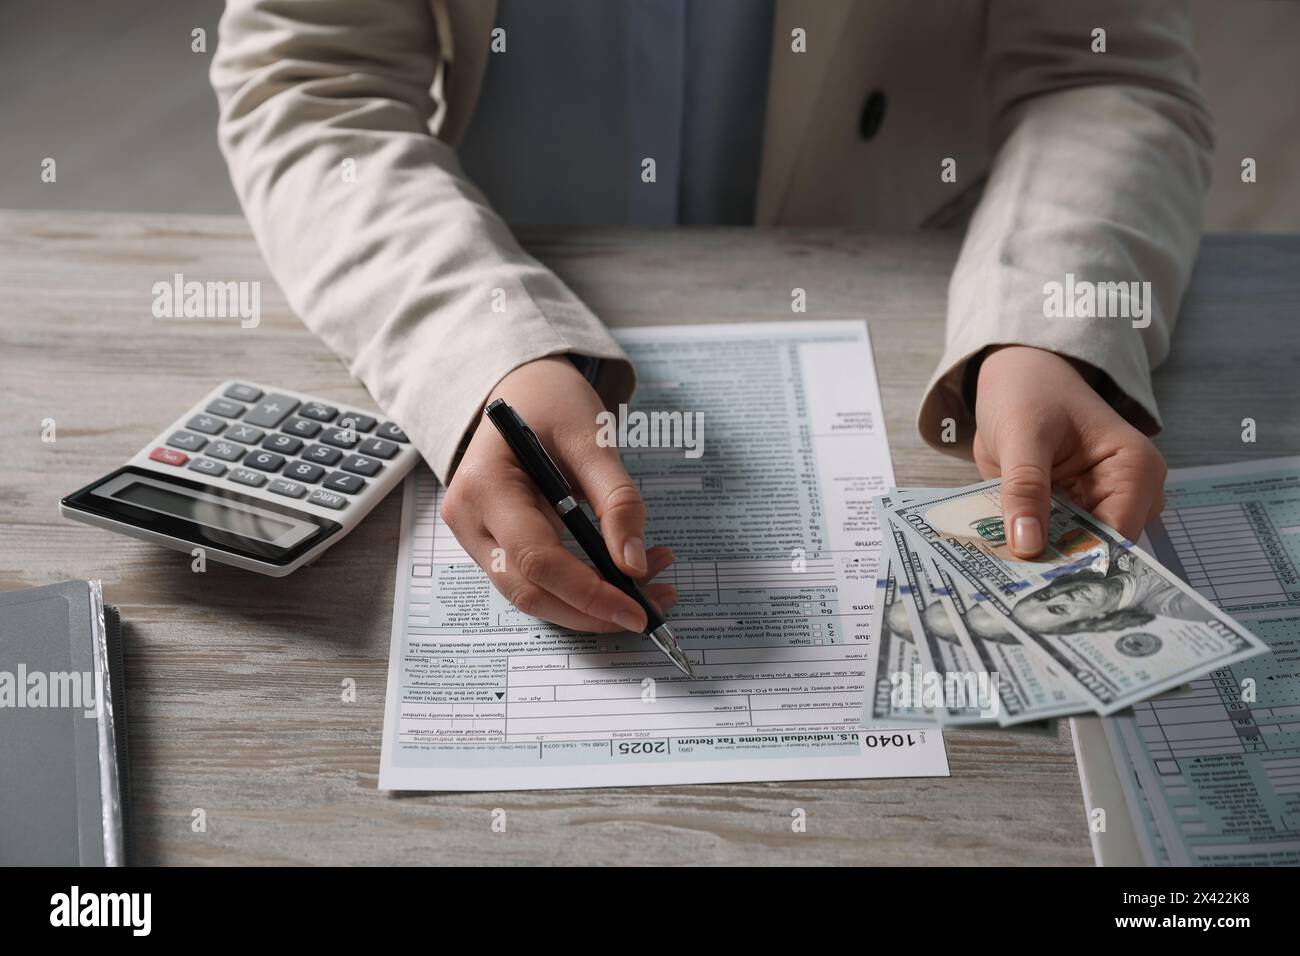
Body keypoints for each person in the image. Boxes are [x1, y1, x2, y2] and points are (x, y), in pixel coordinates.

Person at [211, 0, 1212, 634]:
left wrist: (1046, 320)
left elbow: (1103, 69)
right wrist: (476, 350)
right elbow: (308, 82)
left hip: (912, 279)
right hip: (489, 261)